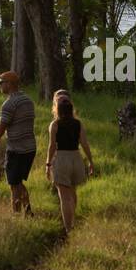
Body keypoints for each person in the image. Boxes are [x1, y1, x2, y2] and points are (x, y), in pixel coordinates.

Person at [46, 95, 94, 234]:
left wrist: (48, 164)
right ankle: (73, 220)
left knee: (64, 197)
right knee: (72, 193)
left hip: (62, 158)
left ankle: (69, 229)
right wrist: (90, 161)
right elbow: (84, 144)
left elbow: (52, 146)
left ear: (57, 109)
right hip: (76, 158)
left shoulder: (55, 124)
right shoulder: (78, 123)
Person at [0, 69, 36, 217]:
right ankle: (28, 211)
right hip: (30, 149)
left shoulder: (9, 104)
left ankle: (16, 215)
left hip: (16, 150)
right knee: (18, 182)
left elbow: (0, 129)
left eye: (1, 82)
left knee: (13, 184)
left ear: (9, 84)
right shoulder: (28, 100)